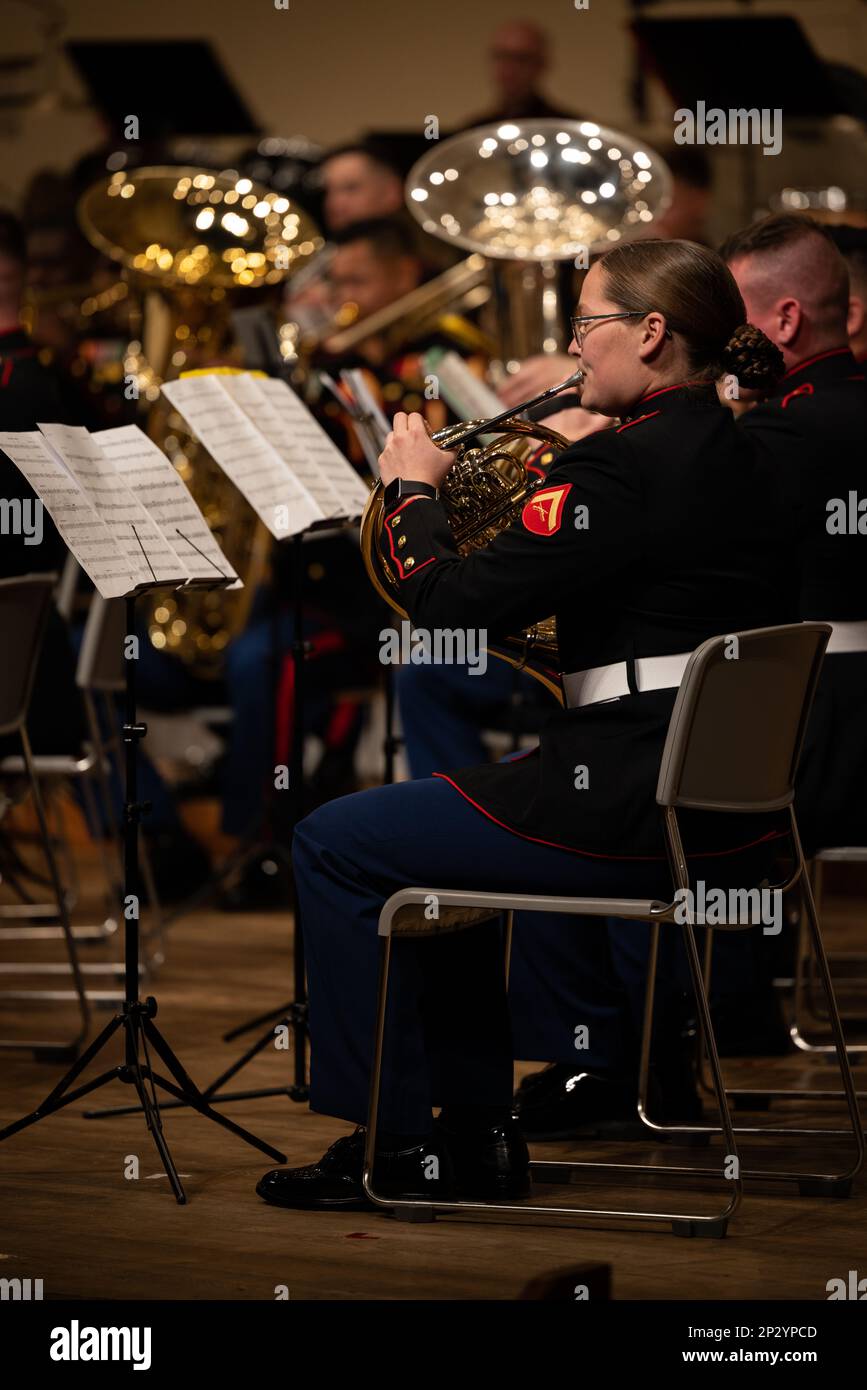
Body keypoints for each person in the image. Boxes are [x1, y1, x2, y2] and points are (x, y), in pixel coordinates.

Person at [255, 239, 796, 1212]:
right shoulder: (753, 449)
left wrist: (414, 487)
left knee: (333, 840)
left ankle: (395, 1141)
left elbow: (448, 603)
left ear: (652, 331)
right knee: (442, 840)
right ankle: (473, 1138)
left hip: (632, 800)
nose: (576, 350)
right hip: (735, 809)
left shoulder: (621, 468)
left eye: (587, 327)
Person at [722, 213, 867, 856]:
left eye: (734, 319)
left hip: (823, 730)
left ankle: (734, 958)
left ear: (783, 323)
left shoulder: (780, 432)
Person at [457, 20, 581, 129]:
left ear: (541, 65)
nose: (509, 68)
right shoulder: (474, 132)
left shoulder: (568, 129)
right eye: (502, 57)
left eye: (521, 59)